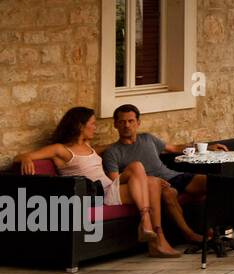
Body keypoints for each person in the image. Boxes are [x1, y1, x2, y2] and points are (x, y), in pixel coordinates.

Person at [17, 108, 183, 257]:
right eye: (92, 124)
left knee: (153, 182)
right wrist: (26, 158)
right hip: (99, 194)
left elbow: (110, 147)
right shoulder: (60, 149)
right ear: (80, 126)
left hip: (110, 187)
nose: (95, 128)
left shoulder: (88, 146)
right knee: (138, 168)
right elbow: (22, 157)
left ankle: (156, 241)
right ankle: (148, 225)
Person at [101, 105, 208, 246]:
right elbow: (116, 182)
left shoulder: (148, 138)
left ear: (138, 123)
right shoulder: (112, 152)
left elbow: (174, 148)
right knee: (168, 194)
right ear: (115, 124)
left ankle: (214, 230)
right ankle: (189, 235)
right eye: (122, 122)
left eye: (131, 121)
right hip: (155, 187)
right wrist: (151, 180)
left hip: (174, 176)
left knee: (212, 183)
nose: (126, 125)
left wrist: (206, 148)